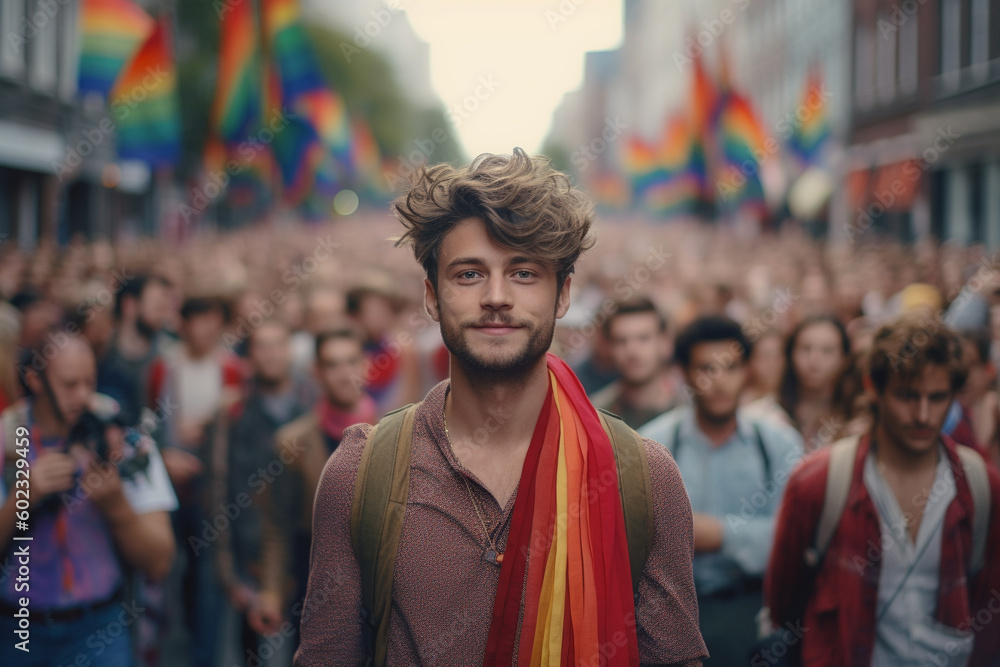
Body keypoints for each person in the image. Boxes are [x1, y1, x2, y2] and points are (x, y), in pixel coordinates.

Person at [295, 149, 707, 666]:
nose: (496, 296)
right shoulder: (360, 475)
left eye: (524, 274)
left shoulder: (643, 478)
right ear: (431, 295)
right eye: (469, 274)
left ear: (563, 296)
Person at [765, 317, 1000, 666]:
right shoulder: (819, 482)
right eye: (907, 396)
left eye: (937, 398)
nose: (923, 415)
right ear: (873, 388)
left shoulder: (981, 486)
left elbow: (987, 605)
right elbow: (783, 602)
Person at [0, 333, 177, 666]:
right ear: (34, 379)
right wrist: (21, 499)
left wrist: (118, 509)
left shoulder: (122, 433)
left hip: (98, 628)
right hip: (17, 630)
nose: (83, 395)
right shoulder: (9, 437)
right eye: (69, 384)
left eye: (89, 382)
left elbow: (160, 561)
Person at [640, 316, 803, 665]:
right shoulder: (651, 446)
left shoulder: (777, 444)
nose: (719, 382)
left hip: (754, 619)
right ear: (683, 373)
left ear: (748, 370)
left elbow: (794, 540)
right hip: (672, 621)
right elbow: (635, 543)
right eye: (705, 369)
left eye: (730, 368)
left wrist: (721, 534)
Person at [257, 328, 377, 650]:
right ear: (318, 373)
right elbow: (277, 525)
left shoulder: (394, 433)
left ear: (366, 365)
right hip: (315, 583)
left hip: (378, 582)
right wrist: (271, 590)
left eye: (352, 361)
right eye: (333, 364)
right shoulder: (292, 442)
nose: (344, 374)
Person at [216, 317, 316, 667]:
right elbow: (221, 490)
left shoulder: (314, 407)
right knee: (255, 651)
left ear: (291, 351)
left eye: (279, 345)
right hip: (253, 556)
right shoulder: (234, 413)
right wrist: (232, 571)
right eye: (263, 346)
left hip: (308, 557)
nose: (272, 355)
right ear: (250, 356)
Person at [590, 298, 681, 430]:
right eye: (621, 341)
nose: (632, 350)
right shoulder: (595, 415)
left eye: (643, 338)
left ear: (666, 343)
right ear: (608, 348)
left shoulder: (690, 411)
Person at [778, 314, 850, 451]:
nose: (814, 360)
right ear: (791, 353)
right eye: (805, 348)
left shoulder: (852, 417)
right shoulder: (768, 416)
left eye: (827, 351)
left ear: (844, 359)